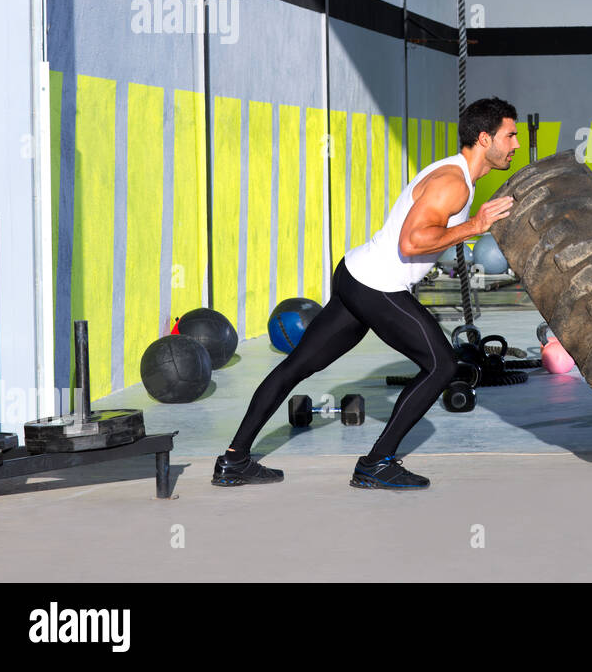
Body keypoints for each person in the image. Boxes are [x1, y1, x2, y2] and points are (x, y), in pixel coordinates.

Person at [211, 97, 520, 489]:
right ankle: (377, 463)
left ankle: (233, 460)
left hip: (356, 275)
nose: (515, 145)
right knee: (442, 365)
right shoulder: (453, 183)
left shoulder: (458, 176)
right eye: (509, 135)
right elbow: (411, 242)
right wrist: (473, 227)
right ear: (483, 138)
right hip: (378, 285)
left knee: (297, 366)